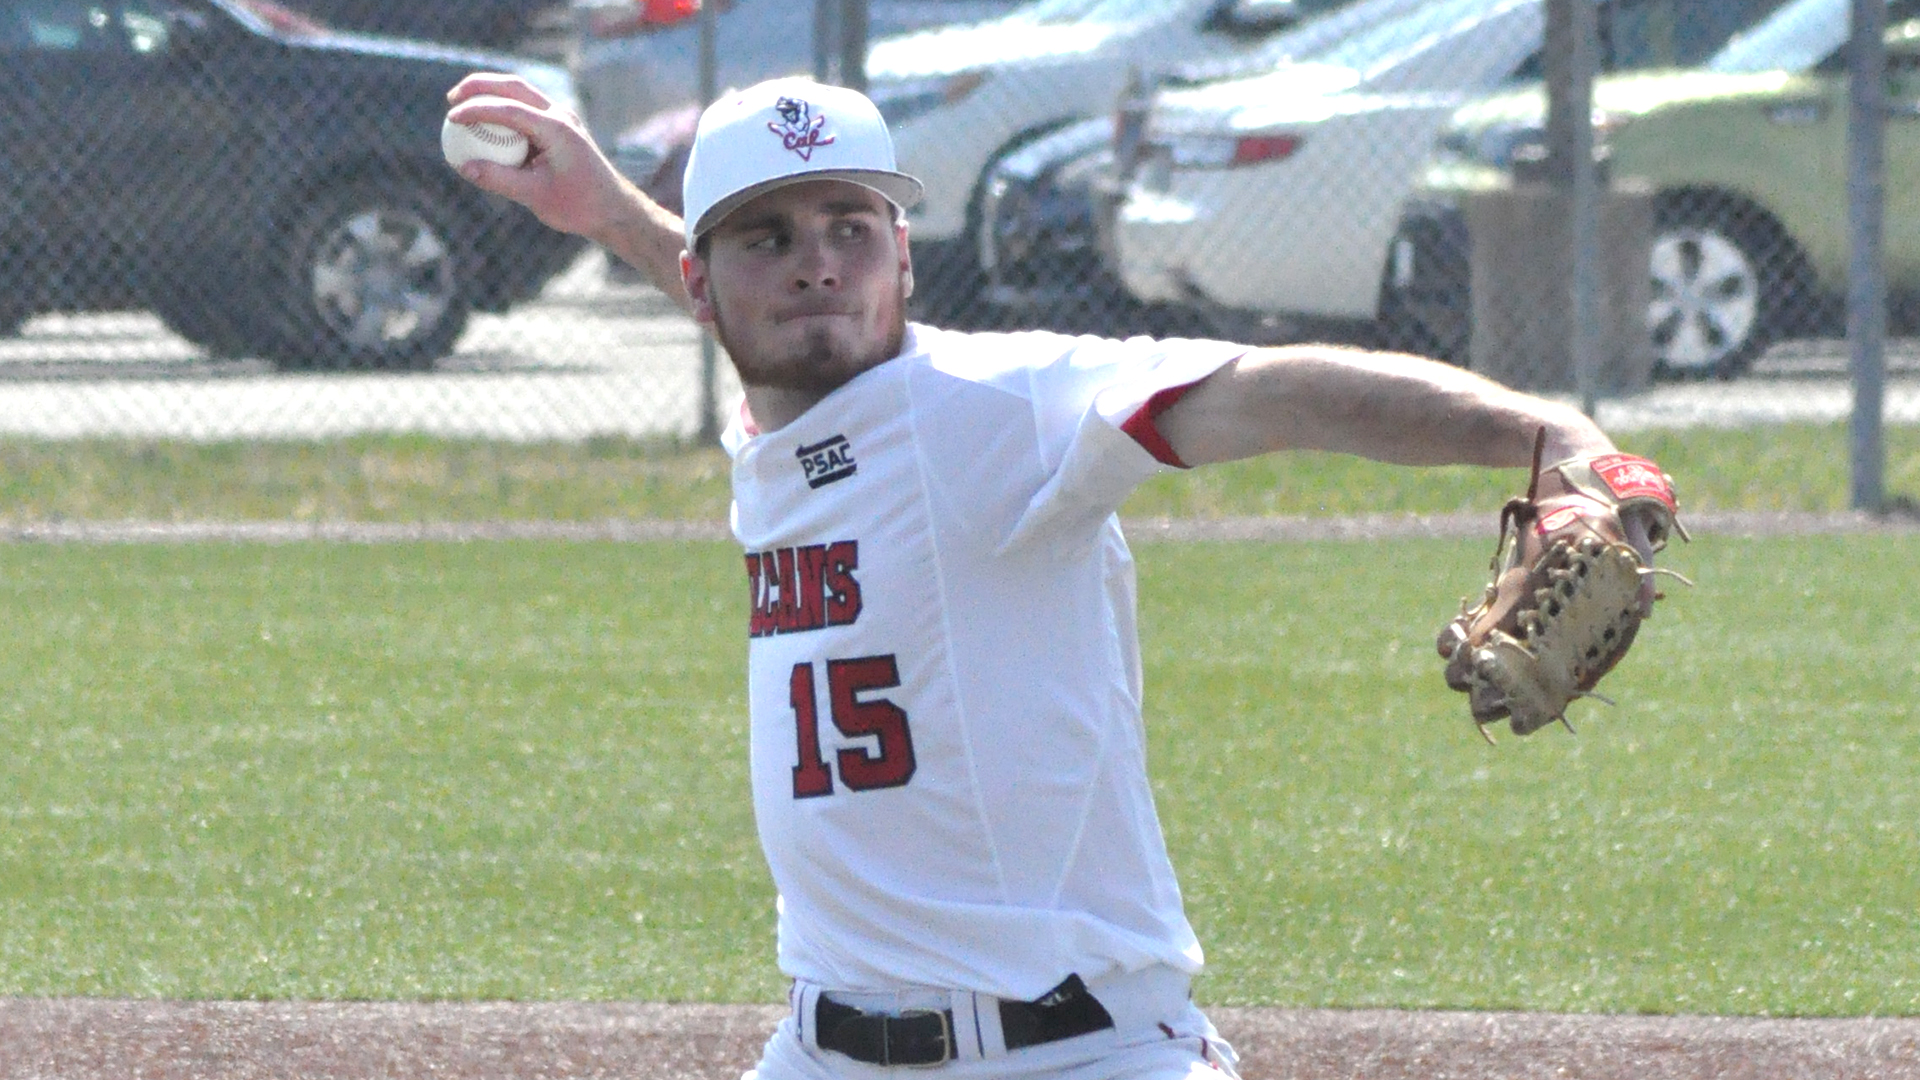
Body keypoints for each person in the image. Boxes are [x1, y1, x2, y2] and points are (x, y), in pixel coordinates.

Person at [444, 73, 1658, 1080]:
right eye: (770, 236)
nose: (818, 264)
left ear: (904, 259)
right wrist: (609, 213)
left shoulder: (998, 409)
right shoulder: (797, 430)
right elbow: (769, 328)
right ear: (705, 280)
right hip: (824, 1048)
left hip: (1075, 1052)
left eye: (850, 230)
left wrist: (1547, 438)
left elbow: (1269, 390)